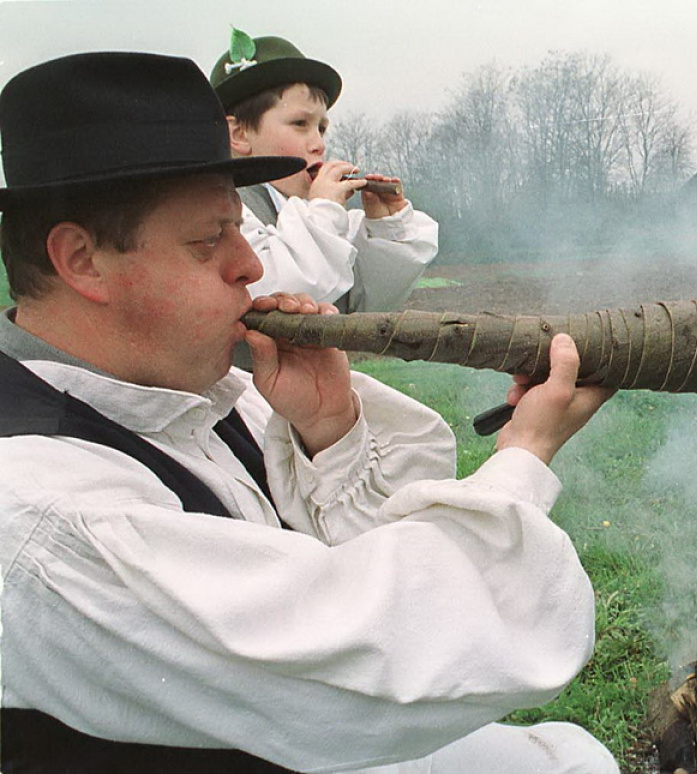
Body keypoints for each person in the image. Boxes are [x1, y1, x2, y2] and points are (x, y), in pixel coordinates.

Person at [0, 52, 617, 773]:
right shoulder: (43, 514)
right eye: (209, 241)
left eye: (241, 228)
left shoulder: (187, 392)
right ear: (81, 261)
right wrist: (523, 456)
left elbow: (354, 556)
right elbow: (386, 657)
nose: (252, 266)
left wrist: (328, 429)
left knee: (572, 756)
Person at [209, 30, 439, 315]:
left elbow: (364, 304)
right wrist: (324, 211)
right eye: (299, 124)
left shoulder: (310, 217)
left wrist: (385, 230)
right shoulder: (219, 211)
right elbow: (268, 286)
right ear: (239, 134)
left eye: (322, 128)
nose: (319, 144)